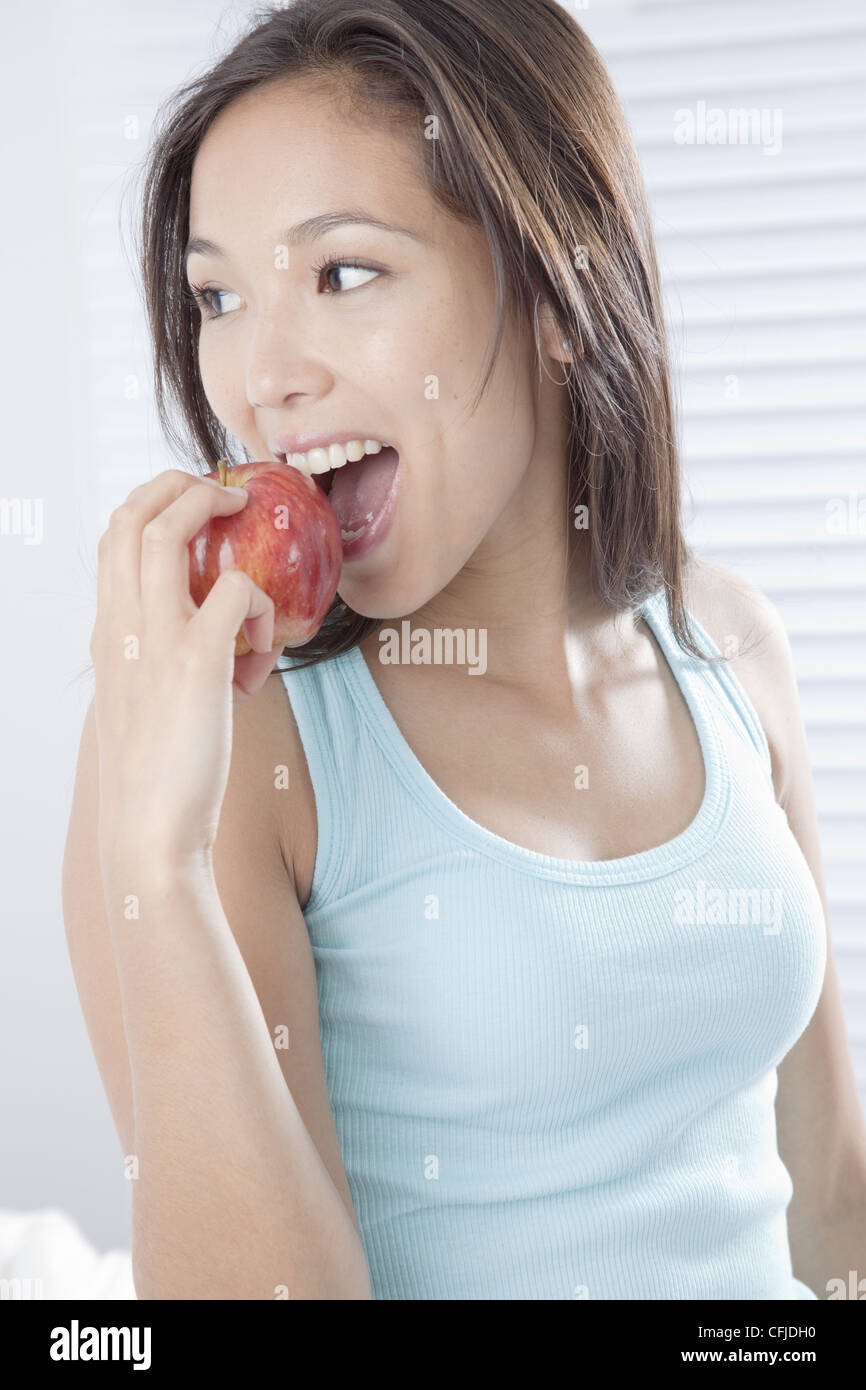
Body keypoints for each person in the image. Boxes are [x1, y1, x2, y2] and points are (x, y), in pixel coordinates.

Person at [62, 0, 865, 1299]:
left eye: (342, 273)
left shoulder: (724, 641)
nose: (258, 375)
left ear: (558, 288)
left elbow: (828, 1190)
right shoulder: (233, 735)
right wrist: (155, 858)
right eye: (217, 293)